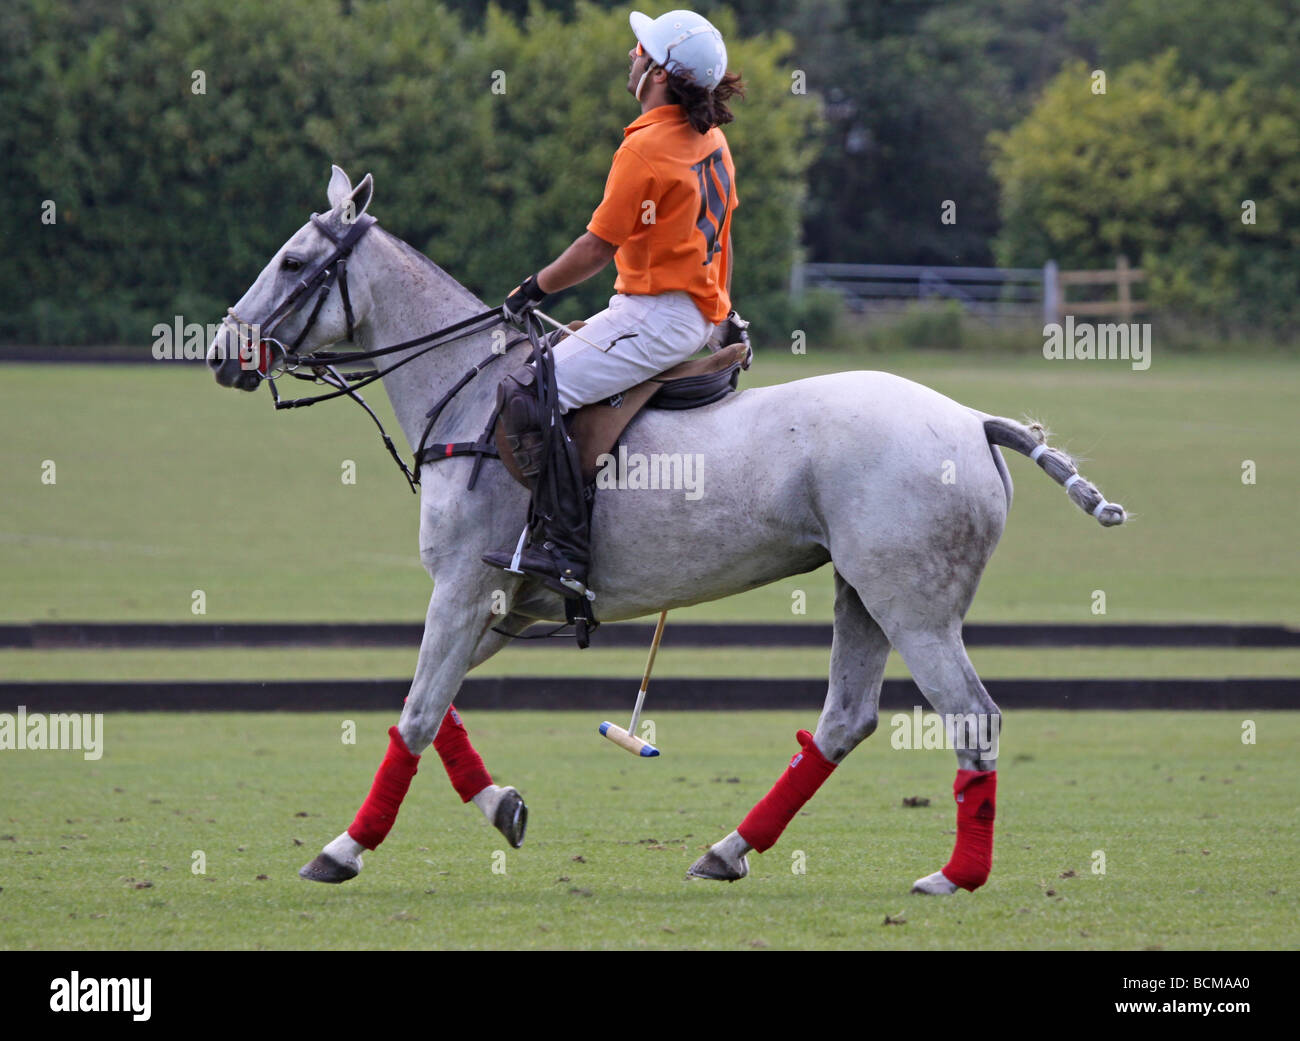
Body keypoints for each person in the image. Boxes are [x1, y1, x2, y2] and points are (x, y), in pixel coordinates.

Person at [483, 9, 744, 598]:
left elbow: (596, 249)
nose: (631, 54)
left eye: (640, 48)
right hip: (692, 312)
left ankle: (564, 548)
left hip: (657, 317)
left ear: (657, 71)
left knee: (529, 393)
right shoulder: (712, 137)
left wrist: (534, 288)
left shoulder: (646, 149)